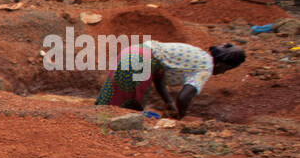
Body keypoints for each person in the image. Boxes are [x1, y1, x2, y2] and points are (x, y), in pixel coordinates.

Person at [95, 41, 245, 118]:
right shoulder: (206, 67)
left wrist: (169, 102)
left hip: (132, 52)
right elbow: (184, 96)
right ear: (222, 64)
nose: (223, 73)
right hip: (142, 61)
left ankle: (93, 128)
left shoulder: (198, 56)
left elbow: (159, 79)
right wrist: (181, 116)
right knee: (127, 109)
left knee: (112, 97)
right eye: (226, 69)